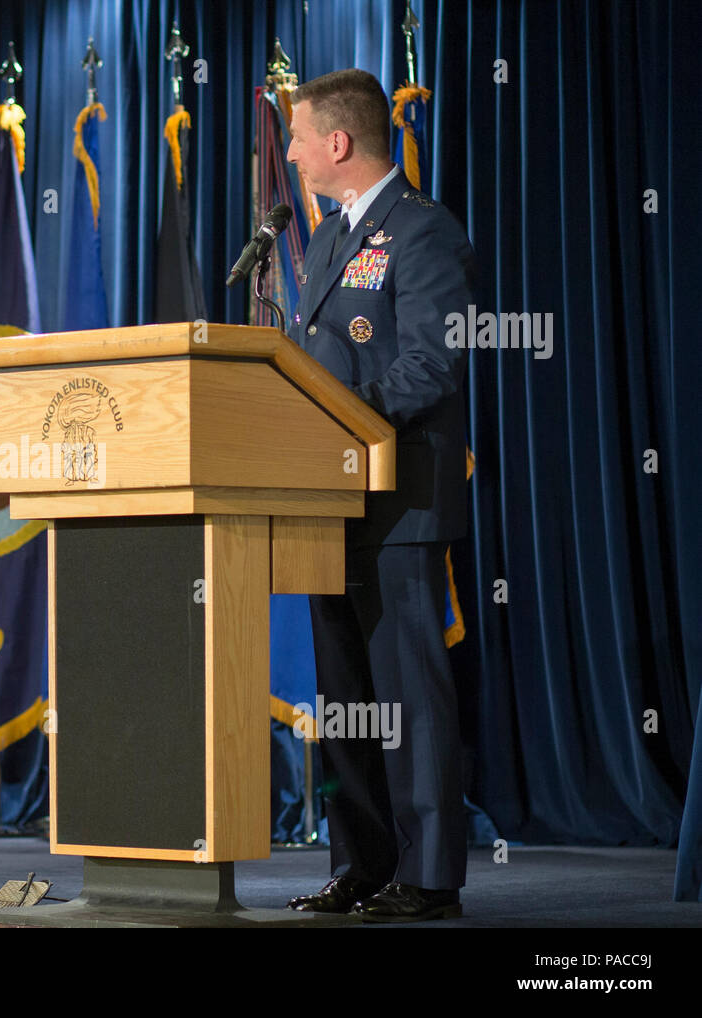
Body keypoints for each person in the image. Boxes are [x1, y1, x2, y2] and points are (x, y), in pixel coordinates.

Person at [282, 69, 476, 921]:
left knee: (407, 695)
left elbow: (434, 360)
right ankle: (360, 864)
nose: (288, 152)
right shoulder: (324, 241)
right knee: (349, 703)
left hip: (398, 499)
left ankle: (428, 876)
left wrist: (339, 426)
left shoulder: (423, 231)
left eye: (296, 137)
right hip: (327, 504)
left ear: (337, 143)